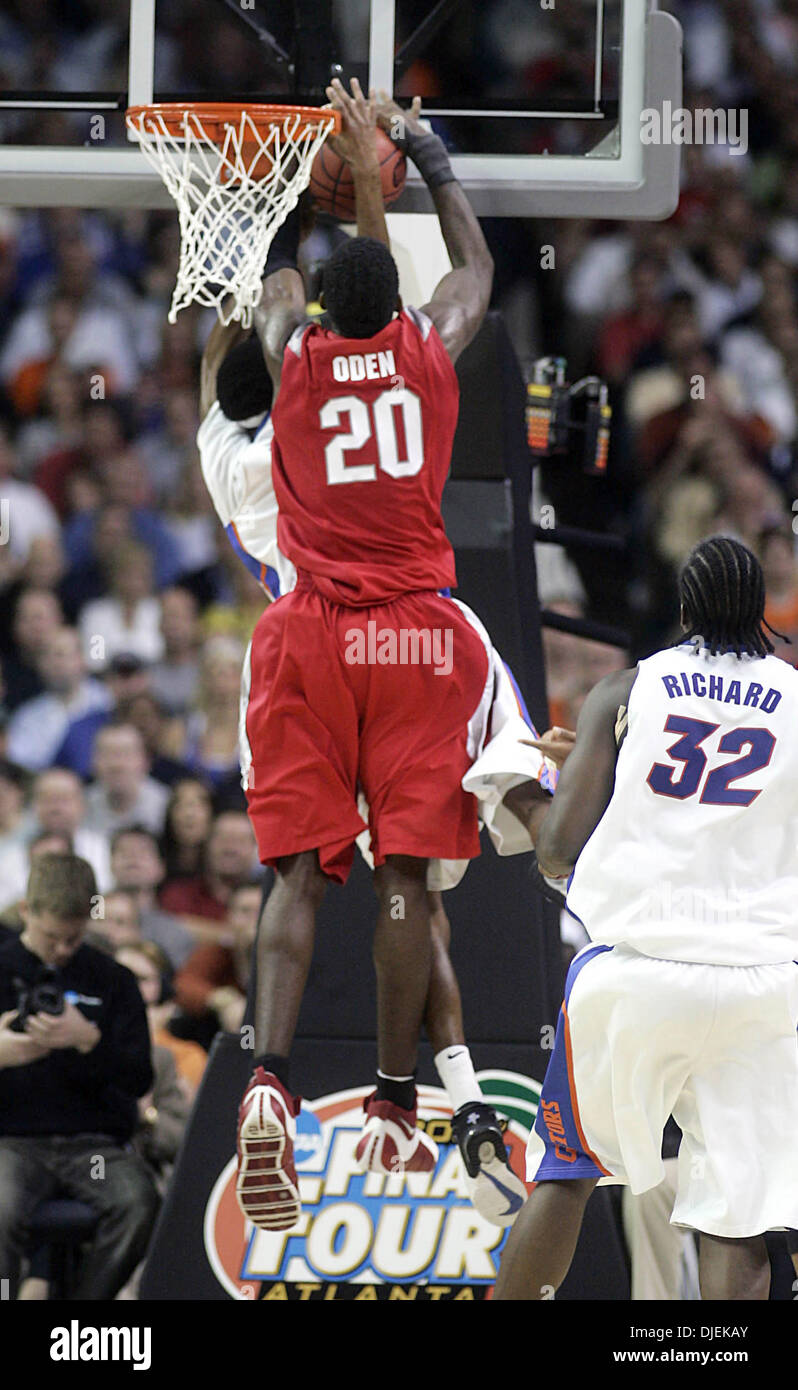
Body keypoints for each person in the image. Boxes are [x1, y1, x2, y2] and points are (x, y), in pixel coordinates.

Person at [226, 78, 552, 1233]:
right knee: (406, 883)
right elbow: (474, 274)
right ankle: (398, 1096)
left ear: (320, 311)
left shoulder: (289, 354)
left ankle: (266, 1081)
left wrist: (292, 176)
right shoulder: (434, 348)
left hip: (310, 634)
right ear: (399, 305)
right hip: (418, 638)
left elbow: (271, 282)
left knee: (297, 878)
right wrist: (424, 154)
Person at [495, 537, 798, 1300]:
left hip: (638, 970)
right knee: (737, 1219)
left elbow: (561, 848)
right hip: (763, 984)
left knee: (566, 1176)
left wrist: (551, 787)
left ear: (686, 607)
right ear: (758, 611)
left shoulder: (629, 689)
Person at [0, 852, 159, 1299]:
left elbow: (139, 1078)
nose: (63, 950)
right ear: (27, 911)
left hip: (93, 1145)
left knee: (139, 1202)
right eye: (53, 937)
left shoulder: (113, 980)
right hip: (12, 1142)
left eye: (74, 938)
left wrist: (88, 1038)